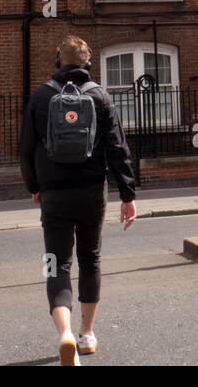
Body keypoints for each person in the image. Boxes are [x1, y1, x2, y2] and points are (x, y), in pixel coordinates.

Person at [19, 36, 137, 366]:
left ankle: (64, 334)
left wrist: (34, 186)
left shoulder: (41, 97)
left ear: (58, 62)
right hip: (91, 192)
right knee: (91, 258)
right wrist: (128, 194)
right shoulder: (100, 96)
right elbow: (118, 149)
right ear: (87, 64)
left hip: (54, 192)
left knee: (55, 262)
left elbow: (25, 151)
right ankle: (86, 334)